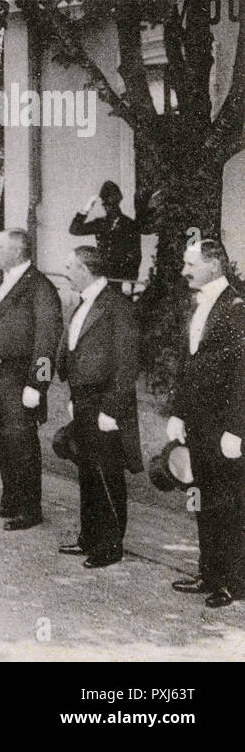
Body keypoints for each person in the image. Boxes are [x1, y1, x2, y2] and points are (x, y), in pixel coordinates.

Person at [167, 240, 245, 606]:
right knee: (201, 498)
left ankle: (234, 582)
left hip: (223, 426)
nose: (184, 271)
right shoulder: (196, 303)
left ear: (214, 265)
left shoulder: (236, 309)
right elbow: (187, 365)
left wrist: (236, 428)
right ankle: (208, 573)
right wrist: (177, 411)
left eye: (191, 264)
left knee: (229, 503)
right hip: (197, 421)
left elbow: (242, 375)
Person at [0, 229, 63, 530]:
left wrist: (38, 383)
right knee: (3, 439)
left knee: (22, 443)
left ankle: (29, 509)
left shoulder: (40, 287)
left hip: (20, 378)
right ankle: (10, 500)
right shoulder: (3, 279)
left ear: (17, 251)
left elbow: (48, 342)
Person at [56, 245, 142, 569]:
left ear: (85, 269)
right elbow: (75, 351)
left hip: (105, 402)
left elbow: (127, 363)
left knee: (107, 474)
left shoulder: (117, 306)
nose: (65, 271)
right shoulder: (83, 303)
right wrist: (73, 395)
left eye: (69, 266)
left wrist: (112, 409)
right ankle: (89, 538)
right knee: (88, 471)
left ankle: (110, 546)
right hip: (83, 398)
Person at [69, 180, 141, 282]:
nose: (108, 208)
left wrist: (129, 282)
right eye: (106, 204)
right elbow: (74, 230)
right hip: (101, 276)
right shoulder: (100, 223)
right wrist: (88, 207)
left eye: (112, 204)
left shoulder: (129, 225)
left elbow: (135, 257)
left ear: (118, 203)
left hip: (120, 278)